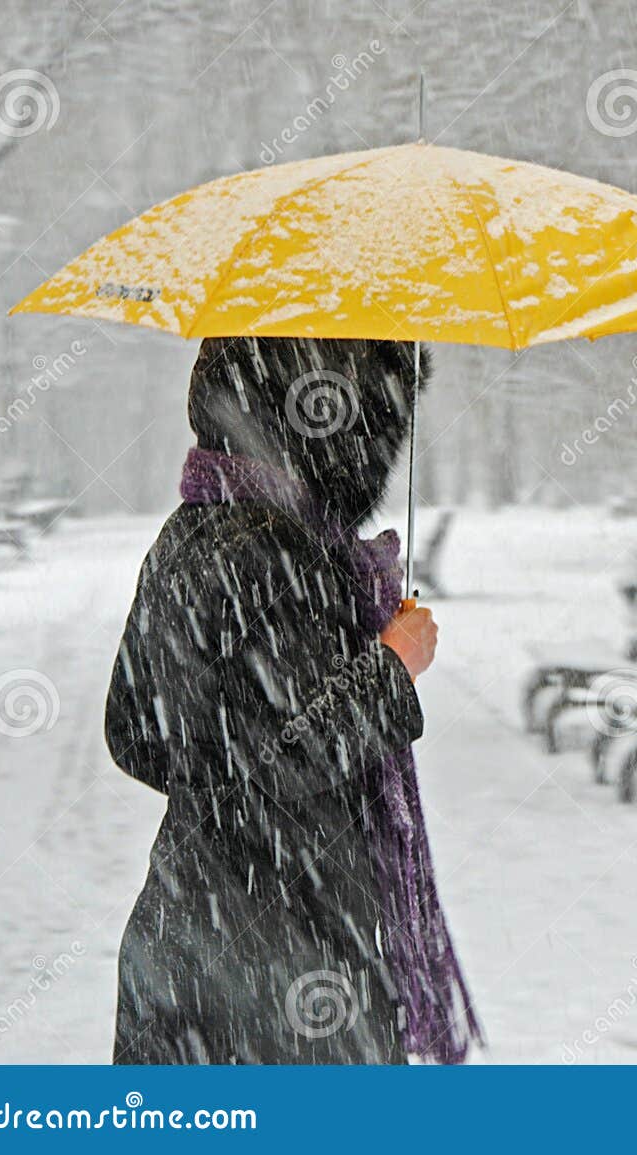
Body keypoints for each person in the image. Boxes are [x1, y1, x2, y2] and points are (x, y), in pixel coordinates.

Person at [106, 336, 480, 1064]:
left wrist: (214, 793)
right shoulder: (278, 554)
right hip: (288, 956)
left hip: (188, 929)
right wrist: (392, 664)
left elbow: (133, 732)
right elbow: (289, 753)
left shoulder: (190, 526)